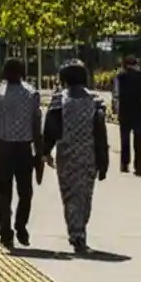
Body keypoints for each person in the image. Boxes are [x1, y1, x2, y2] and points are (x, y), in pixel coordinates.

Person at [42, 59, 110, 254]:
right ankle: (79, 232)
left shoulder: (59, 100)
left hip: (67, 157)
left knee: (70, 196)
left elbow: (50, 130)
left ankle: (76, 232)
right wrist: (102, 161)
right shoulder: (95, 101)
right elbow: (100, 134)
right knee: (85, 195)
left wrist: (46, 152)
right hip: (89, 157)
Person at [0, 57, 42, 250]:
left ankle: (6, 233)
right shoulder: (32, 94)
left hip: (2, 148)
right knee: (25, 192)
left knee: (4, 191)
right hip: (24, 148)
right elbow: (36, 122)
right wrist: (39, 150)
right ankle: (21, 226)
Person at [113, 55, 141, 176]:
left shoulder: (121, 76)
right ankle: (138, 166)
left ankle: (124, 164)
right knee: (139, 141)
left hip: (124, 111)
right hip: (138, 110)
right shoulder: (140, 75)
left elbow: (116, 93)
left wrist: (115, 109)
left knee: (125, 139)